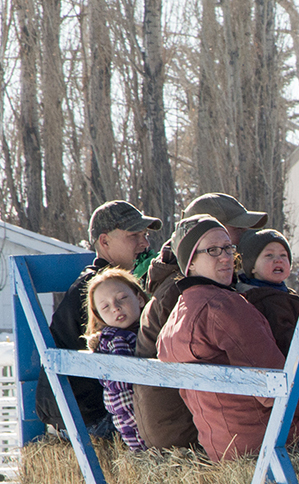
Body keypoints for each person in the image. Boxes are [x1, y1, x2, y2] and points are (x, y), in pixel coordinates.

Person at [158, 218, 299, 461]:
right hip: (268, 437)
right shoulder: (226, 308)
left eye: (227, 248)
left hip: (223, 444)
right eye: (212, 250)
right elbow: (276, 388)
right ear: (190, 262)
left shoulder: (179, 314)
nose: (225, 257)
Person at [135, 193, 268, 450]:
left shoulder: (196, 283)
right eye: (235, 231)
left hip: (194, 419)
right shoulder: (187, 291)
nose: (240, 241)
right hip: (186, 429)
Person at [35, 200, 161, 435]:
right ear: (104, 241)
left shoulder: (118, 285)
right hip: (83, 415)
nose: (144, 243)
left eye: (145, 235)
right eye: (134, 235)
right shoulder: (100, 291)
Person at [83, 268, 149, 451]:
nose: (115, 307)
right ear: (100, 316)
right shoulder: (116, 339)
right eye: (106, 307)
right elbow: (122, 378)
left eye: (122, 298)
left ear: (140, 298)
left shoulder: (141, 332)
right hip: (132, 416)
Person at [237, 228, 299, 376]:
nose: (278, 259)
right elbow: (286, 343)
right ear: (252, 267)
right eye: (269, 255)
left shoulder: (286, 294)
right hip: (295, 374)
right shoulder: (263, 300)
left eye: (283, 255)